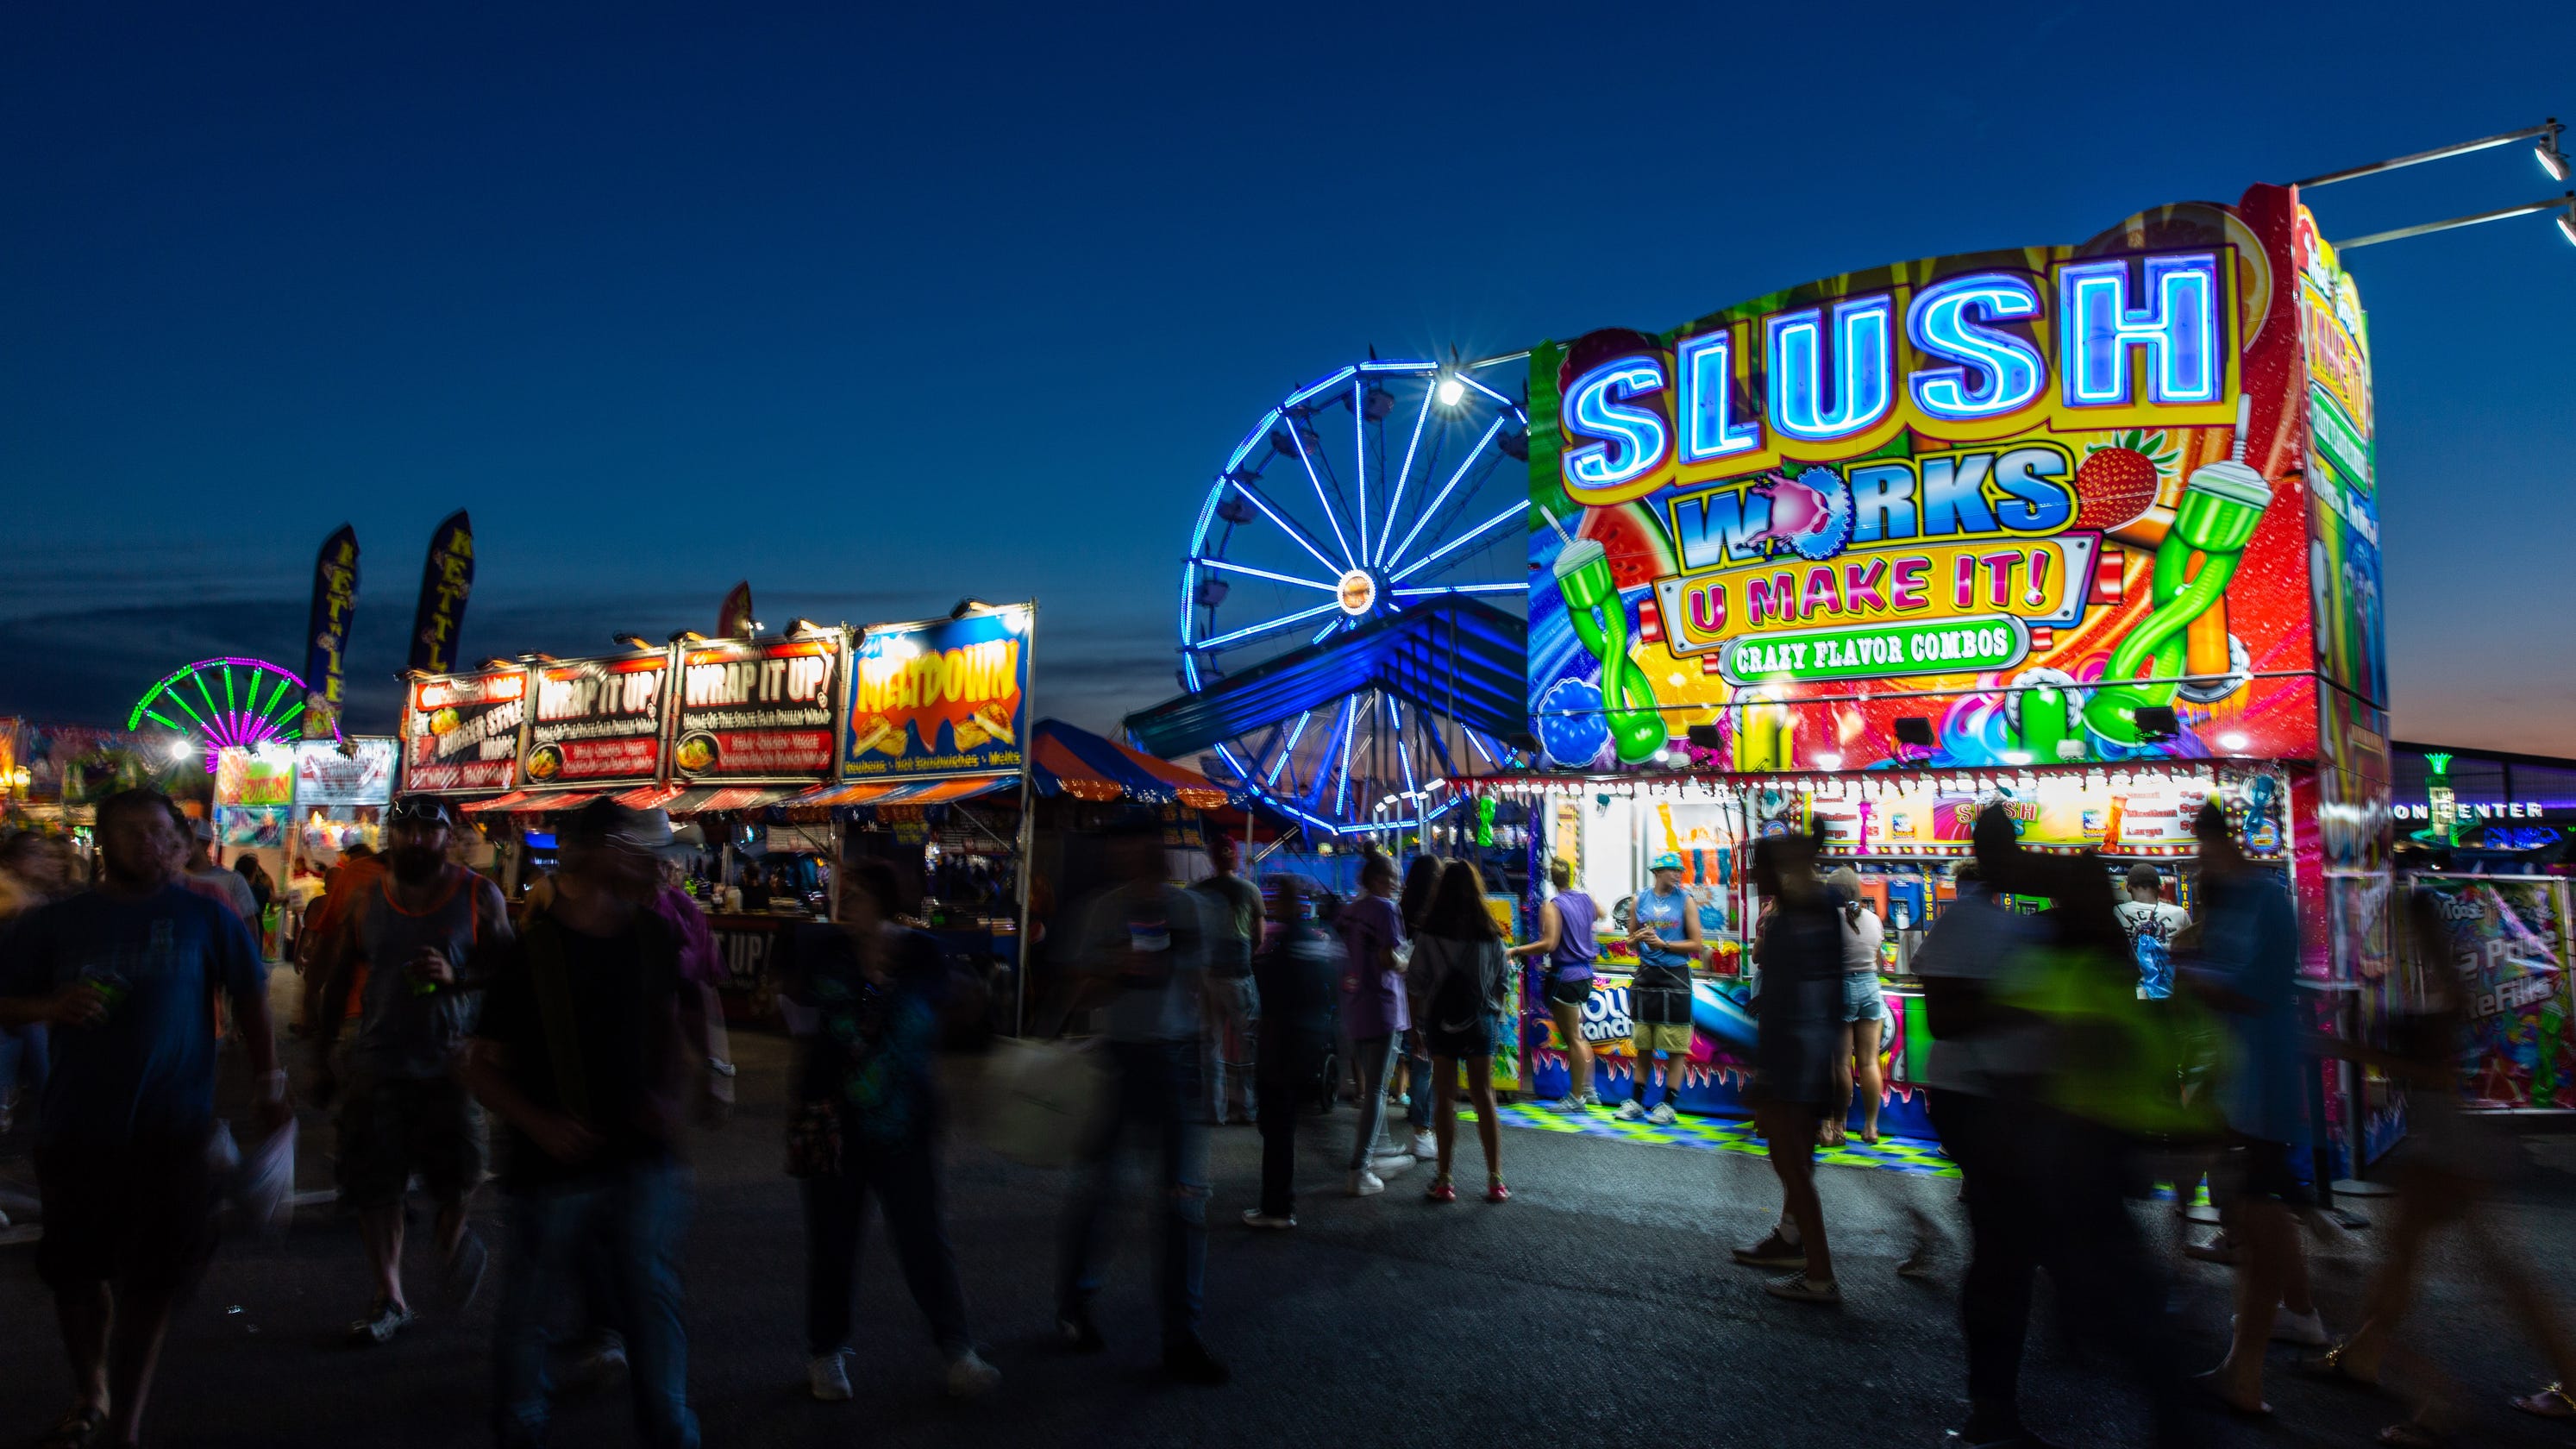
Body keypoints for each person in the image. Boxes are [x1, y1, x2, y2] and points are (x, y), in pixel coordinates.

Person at [0, 787, 287, 1449]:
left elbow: (250, 997)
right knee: (76, 1277)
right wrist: (51, 1008)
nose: (147, 845)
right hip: (77, 1131)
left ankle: (123, 1423)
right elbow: (5, 1001)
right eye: (130, 833)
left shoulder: (204, 917)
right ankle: (89, 1391)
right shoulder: (55, 923)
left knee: (150, 1285)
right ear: (102, 842)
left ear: (180, 842)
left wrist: (272, 1081)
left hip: (173, 1132)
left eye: (159, 833)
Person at [459, 800, 727, 1449]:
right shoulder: (533, 953)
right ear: (607, 850)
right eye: (647, 854)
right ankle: (523, 1423)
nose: (662, 870)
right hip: (554, 1167)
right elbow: (476, 1066)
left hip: (641, 1159)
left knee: (651, 1299)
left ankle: (669, 1427)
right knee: (533, 1307)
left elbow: (674, 1017)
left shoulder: (653, 935)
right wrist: (540, 1123)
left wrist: (684, 1085)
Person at [786, 856, 998, 1402]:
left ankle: (957, 1350)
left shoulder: (920, 953)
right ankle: (826, 1352)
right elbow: (804, 1020)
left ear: (880, 900)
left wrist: (887, 982)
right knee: (833, 1241)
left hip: (903, 1122)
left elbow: (942, 1011)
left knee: (923, 1237)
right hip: (833, 1122)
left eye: (853, 893)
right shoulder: (827, 952)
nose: (842, 901)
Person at [310, 796, 511, 1346]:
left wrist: (457, 978)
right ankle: (389, 1297)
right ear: (390, 835)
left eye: (429, 831)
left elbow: (511, 978)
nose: (416, 841)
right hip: (376, 1061)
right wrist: (323, 1053)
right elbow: (336, 978)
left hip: (451, 1062)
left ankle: (452, 1231)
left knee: (460, 1174)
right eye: (405, 830)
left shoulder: (479, 894)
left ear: (449, 836)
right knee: (376, 1185)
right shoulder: (366, 897)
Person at [1054, 817, 1227, 1384]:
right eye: (1131, 844)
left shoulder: (1186, 910)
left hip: (1173, 1061)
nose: (1141, 854)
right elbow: (1081, 990)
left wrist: (1211, 1062)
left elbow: (1200, 989)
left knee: (1181, 1201)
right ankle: (1074, 1305)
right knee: (1103, 1190)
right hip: (1121, 1060)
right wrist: (1118, 970)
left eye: (1149, 844)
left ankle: (1182, 1334)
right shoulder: (1102, 911)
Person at [2185, 800, 2326, 1414]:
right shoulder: (2227, 902)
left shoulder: (2265, 898)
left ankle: (2245, 1375)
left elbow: (2263, 989)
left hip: (2261, 1086)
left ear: (2220, 842)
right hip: (2234, 1081)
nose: (2198, 860)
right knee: (2254, 1217)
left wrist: (2197, 977)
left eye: (2201, 847)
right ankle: (2299, 1319)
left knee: (2256, 1223)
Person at [1916, 846, 2053, 1442]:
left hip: (1998, 1102)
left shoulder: (2020, 925)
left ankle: (1994, 1401)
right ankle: (1991, 1406)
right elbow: (1944, 1016)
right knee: (2004, 1257)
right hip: (1985, 1100)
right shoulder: (1974, 922)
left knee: (2007, 1253)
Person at [1729, 827, 1845, 1303]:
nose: (1754, 875)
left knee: (1791, 1165)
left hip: (1792, 1060)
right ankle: (1792, 1241)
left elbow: (1789, 1000)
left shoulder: (1792, 920)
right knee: (1799, 1164)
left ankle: (1819, 1273)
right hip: (1814, 1056)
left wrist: (1768, 1072)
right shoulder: (1821, 910)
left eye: (1759, 866)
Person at [1407, 859, 1511, 1203]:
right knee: (1484, 1097)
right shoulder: (1491, 933)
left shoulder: (1429, 934)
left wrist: (1416, 1027)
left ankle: (1445, 1179)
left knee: (1445, 1098)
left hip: (1440, 1021)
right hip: (1480, 1020)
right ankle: (1495, 1180)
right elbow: (1502, 983)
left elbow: (1416, 984)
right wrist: (1492, 1016)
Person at [1245, 875, 1338, 1230]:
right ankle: (1279, 1203)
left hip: (1283, 1044)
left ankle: (1277, 1207)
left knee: (1277, 1128)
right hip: (1309, 1040)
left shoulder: (1283, 944)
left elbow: (1273, 1001)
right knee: (1285, 1127)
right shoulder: (1313, 942)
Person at [1335, 852, 1417, 1195]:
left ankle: (1379, 1148)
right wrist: (1406, 962)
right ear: (1375, 880)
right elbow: (1388, 957)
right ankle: (1361, 1166)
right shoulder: (1386, 910)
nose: (1396, 884)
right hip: (1384, 1003)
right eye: (1391, 878)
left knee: (1371, 1086)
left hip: (1356, 1004)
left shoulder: (1352, 911)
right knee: (1378, 1091)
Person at [1617, 852, 1703, 1126]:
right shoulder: (1639, 899)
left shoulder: (1686, 900)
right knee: (1644, 1043)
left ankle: (1668, 1104)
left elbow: (1696, 945)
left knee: (1676, 1047)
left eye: (1679, 870)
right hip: (1646, 974)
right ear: (1657, 872)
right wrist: (1638, 938)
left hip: (1675, 975)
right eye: (1671, 870)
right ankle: (1636, 1102)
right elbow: (1629, 942)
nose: (1678, 874)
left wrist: (1664, 945)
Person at [1507, 857, 1600, 1111]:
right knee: (1579, 1035)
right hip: (1585, 975)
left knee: (1573, 1039)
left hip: (1565, 977)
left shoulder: (1553, 905)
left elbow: (1549, 943)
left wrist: (1517, 949)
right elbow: (1601, 913)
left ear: (1550, 878)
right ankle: (1588, 1089)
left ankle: (1577, 1097)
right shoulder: (1585, 899)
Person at [2, 830, 69, 1134]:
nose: (45, 861)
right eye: (36, 854)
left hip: (31, 1008)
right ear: (12, 860)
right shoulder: (12, 895)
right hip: (13, 1007)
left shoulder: (43, 898)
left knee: (46, 1084)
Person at [1192, 833, 1262, 1127]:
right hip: (1239, 974)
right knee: (1249, 1044)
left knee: (1210, 1046)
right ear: (1235, 856)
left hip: (1207, 976)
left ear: (1212, 859)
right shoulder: (1249, 890)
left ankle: (1214, 1111)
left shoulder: (1198, 891)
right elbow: (1259, 937)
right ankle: (1247, 1108)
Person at [1825, 867, 1888, 1145]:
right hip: (1871, 987)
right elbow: (1877, 961)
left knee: (1840, 1063)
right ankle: (1871, 1127)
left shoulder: (1827, 921)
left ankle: (1839, 1124)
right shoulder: (1873, 919)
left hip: (1841, 989)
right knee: (1869, 1061)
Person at [1395, 855, 1445, 1160]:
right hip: (1431, 990)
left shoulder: (1402, 909)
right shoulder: (1436, 914)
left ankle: (1418, 1114)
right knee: (1428, 1059)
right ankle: (1424, 1126)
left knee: (1416, 1053)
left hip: (1405, 985)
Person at [2115, 862, 2189, 1001]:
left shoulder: (2116, 913)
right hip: (2170, 994)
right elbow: (2191, 954)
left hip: (2130, 994)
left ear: (2128, 887)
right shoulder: (2179, 914)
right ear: (2160, 887)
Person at [179, 817, 258, 923]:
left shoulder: (232, 881)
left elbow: (249, 926)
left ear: (204, 844)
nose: (182, 847)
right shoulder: (171, 879)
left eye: (187, 841)